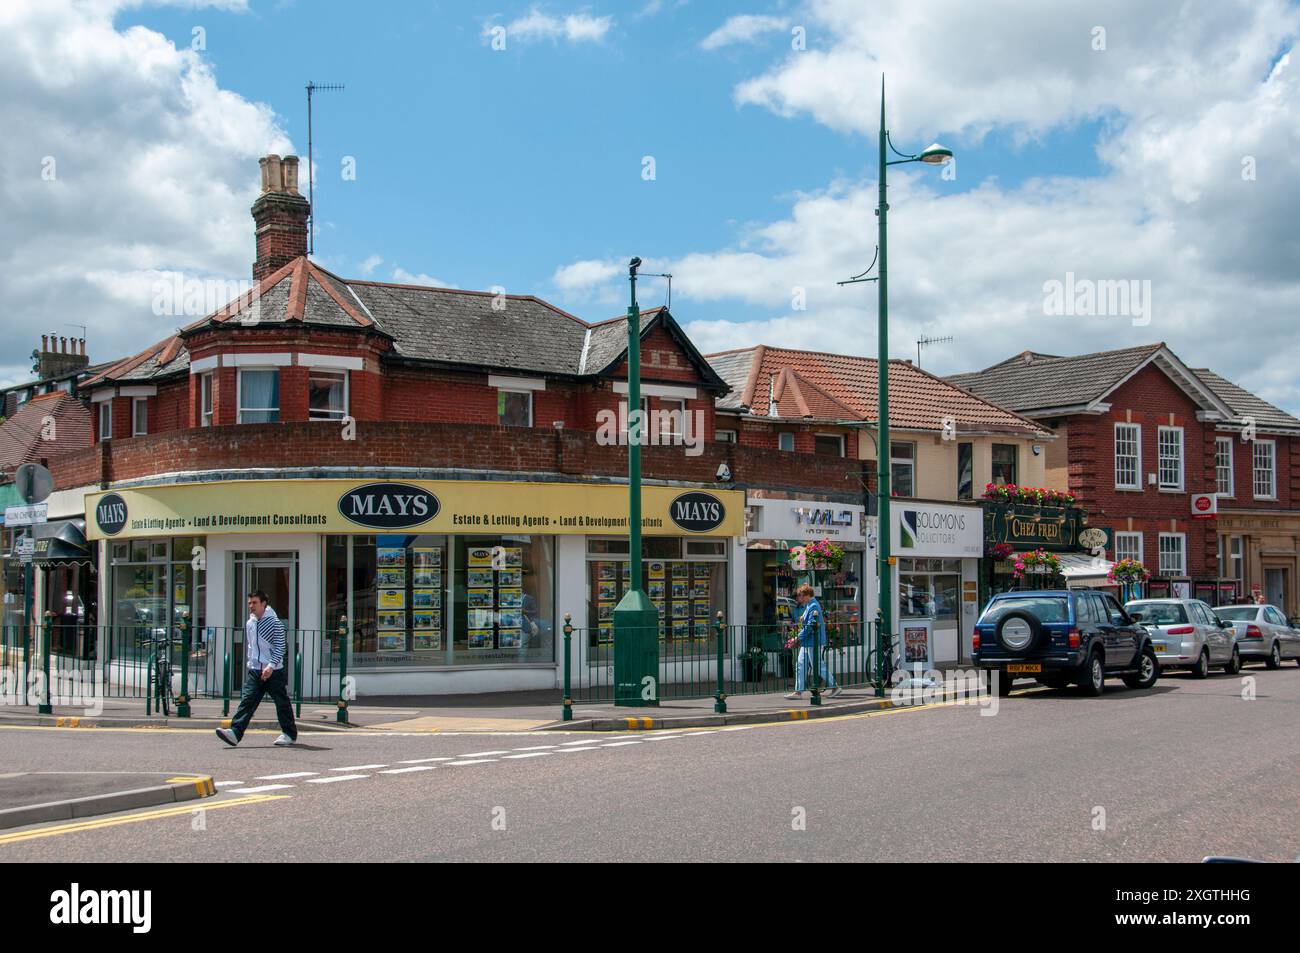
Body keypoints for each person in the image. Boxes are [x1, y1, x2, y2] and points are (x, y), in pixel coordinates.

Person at [216, 590, 297, 747]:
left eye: (254, 603)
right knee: (247, 701)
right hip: (255, 670)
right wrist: (251, 664)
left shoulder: (274, 623)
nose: (251, 606)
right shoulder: (250, 623)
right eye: (249, 603)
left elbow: (281, 647)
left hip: (274, 671)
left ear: (263, 604)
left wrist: (271, 666)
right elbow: (252, 647)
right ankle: (235, 733)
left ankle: (289, 734)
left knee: (282, 703)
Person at [785, 583, 842, 700]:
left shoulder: (813, 606)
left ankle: (835, 687)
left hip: (813, 642)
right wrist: (802, 618)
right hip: (808, 642)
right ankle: (798, 692)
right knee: (800, 665)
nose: (799, 599)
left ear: (806, 595)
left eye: (800, 596)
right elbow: (808, 621)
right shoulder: (809, 606)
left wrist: (797, 638)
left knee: (818, 666)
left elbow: (810, 626)